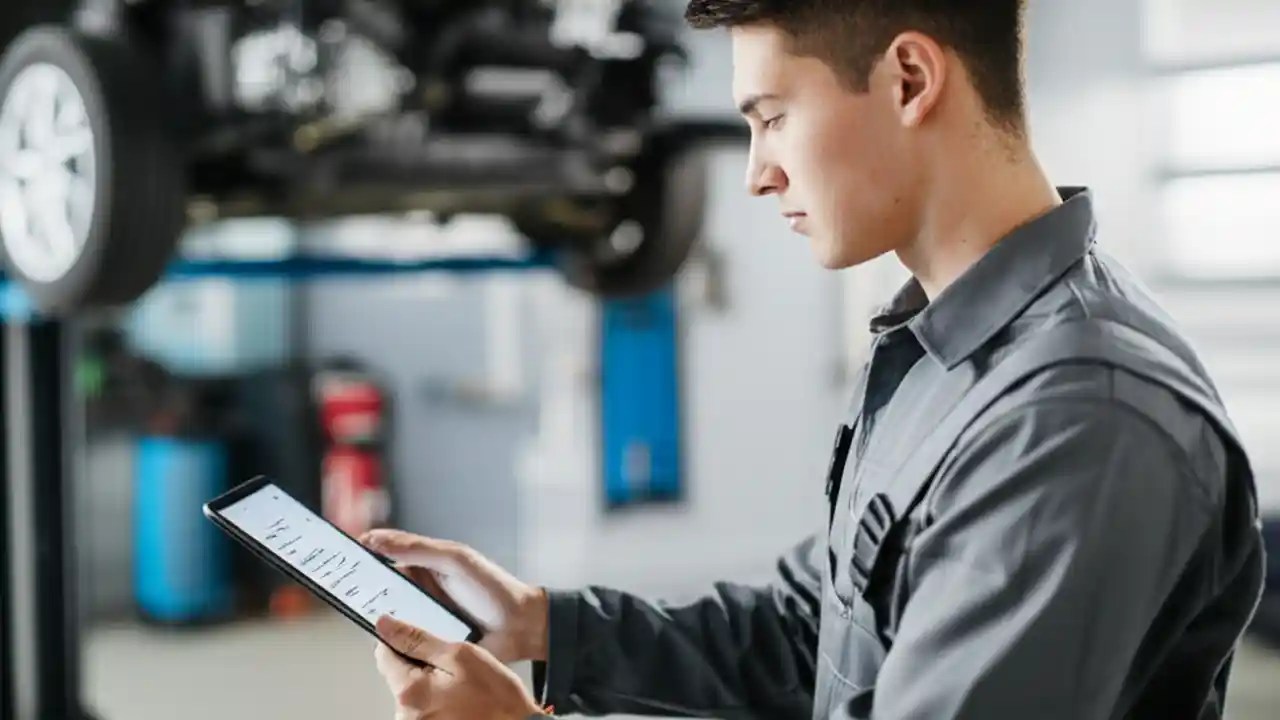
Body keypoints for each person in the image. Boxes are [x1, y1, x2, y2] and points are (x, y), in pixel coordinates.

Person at [363, 1, 1267, 718]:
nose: (758, 171)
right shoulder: (941, 353)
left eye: (773, 117)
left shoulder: (1077, 419)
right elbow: (817, 635)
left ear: (909, 77)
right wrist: (541, 623)